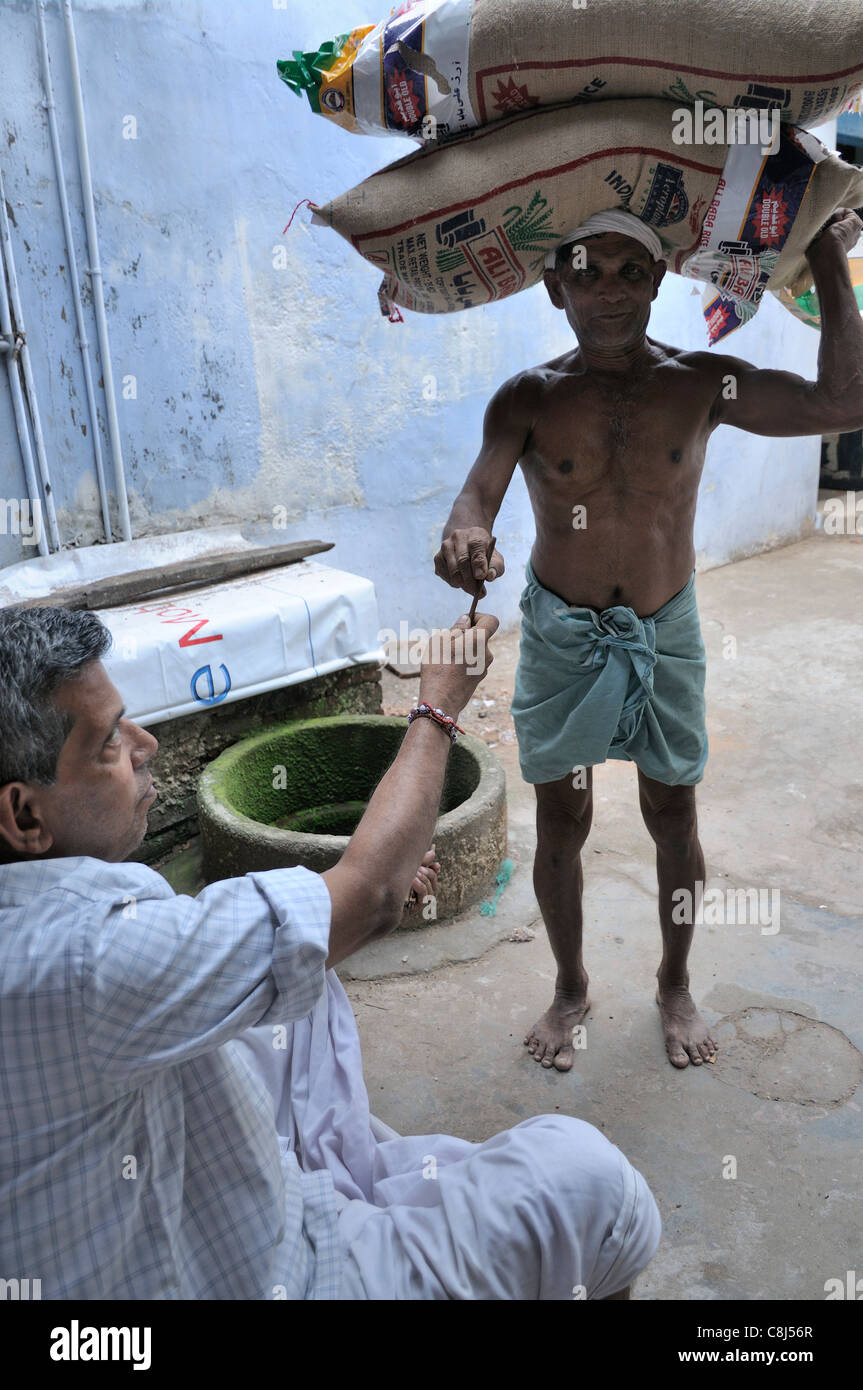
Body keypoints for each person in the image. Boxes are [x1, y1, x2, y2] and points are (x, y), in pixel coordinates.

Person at [0, 604, 660, 1299]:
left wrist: (350, 900)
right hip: (256, 1274)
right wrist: (436, 708)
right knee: (593, 1187)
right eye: (107, 742)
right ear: (22, 816)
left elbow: (304, 926)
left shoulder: (57, 936)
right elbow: (368, 894)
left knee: (295, 997)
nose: (145, 745)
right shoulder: (89, 962)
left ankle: (334, 1170)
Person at [434, 206, 863, 1073]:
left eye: (630, 270)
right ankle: (568, 987)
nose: (610, 292)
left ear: (661, 278)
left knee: (672, 812)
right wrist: (463, 531)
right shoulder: (526, 398)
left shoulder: (701, 385)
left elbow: (840, 403)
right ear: (555, 288)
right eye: (587, 273)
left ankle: (673, 984)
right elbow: (475, 495)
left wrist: (820, 248)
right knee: (564, 813)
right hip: (562, 634)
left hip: (664, 634)